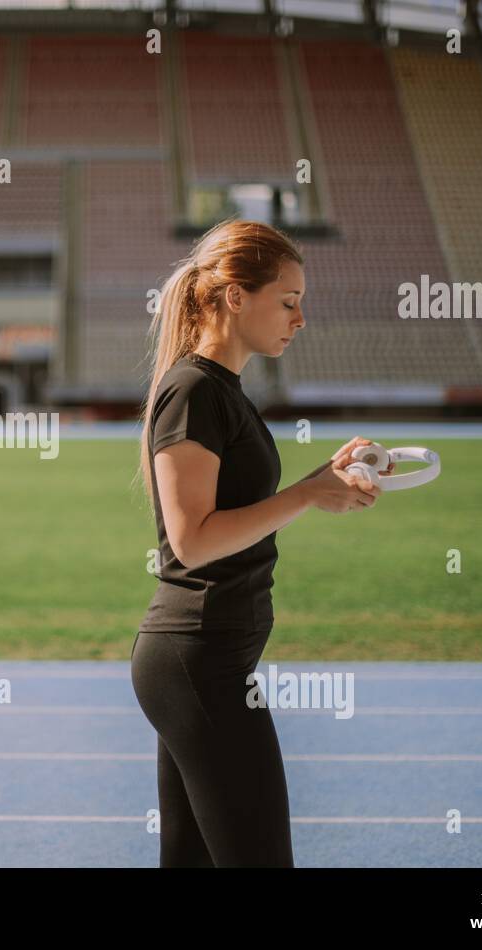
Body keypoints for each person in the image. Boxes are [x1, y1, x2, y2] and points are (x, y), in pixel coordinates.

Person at [131, 217, 392, 867]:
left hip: (205, 663)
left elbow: (241, 510)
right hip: (197, 661)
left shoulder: (223, 392)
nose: (300, 318)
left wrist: (319, 480)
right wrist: (306, 495)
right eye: (290, 300)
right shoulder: (193, 392)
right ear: (236, 296)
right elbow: (190, 541)